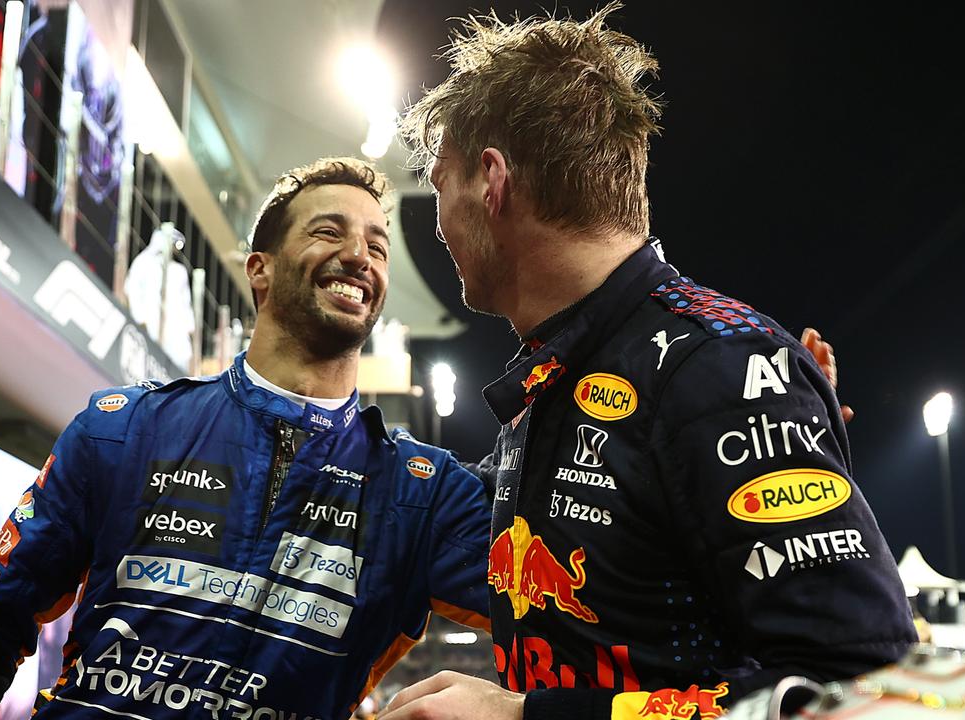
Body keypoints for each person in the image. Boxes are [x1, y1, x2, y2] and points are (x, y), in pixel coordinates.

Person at [384, 5, 916, 719]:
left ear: (492, 181)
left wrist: (523, 717)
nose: (438, 221)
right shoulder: (562, 374)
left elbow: (862, 692)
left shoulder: (721, 368)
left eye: (439, 183)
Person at [0, 157, 492, 720]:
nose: (360, 256)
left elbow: (571, 597)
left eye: (377, 245)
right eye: (329, 232)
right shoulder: (123, 427)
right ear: (261, 269)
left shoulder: (423, 494)